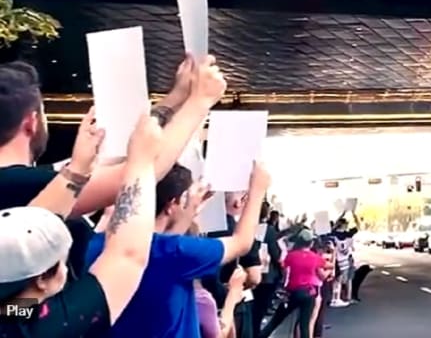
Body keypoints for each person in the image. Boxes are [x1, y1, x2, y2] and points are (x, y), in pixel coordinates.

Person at [0, 57, 224, 276]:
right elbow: (138, 174)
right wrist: (199, 102)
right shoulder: (21, 183)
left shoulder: (24, 180)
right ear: (32, 122)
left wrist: (174, 99)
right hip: (56, 310)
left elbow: (126, 157)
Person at [0, 113, 162, 338]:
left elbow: (33, 226)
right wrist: (142, 162)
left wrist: (77, 171)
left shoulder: (13, 309)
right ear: (43, 279)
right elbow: (127, 256)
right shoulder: (45, 326)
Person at [82, 161, 271, 338]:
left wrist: (188, 209)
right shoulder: (177, 253)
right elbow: (242, 242)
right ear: (172, 204)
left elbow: (161, 242)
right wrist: (257, 191)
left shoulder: (96, 245)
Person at [200, 192, 262, 338]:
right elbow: (254, 277)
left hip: (194, 306)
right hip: (230, 306)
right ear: (238, 203)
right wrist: (236, 286)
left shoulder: (192, 227)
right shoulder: (241, 233)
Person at [262, 232, 325, 338]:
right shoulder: (315, 258)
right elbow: (323, 272)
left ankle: (262, 336)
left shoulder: (291, 256)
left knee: (276, 319)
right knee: (304, 324)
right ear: (311, 243)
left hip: (293, 291)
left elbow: (285, 271)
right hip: (309, 292)